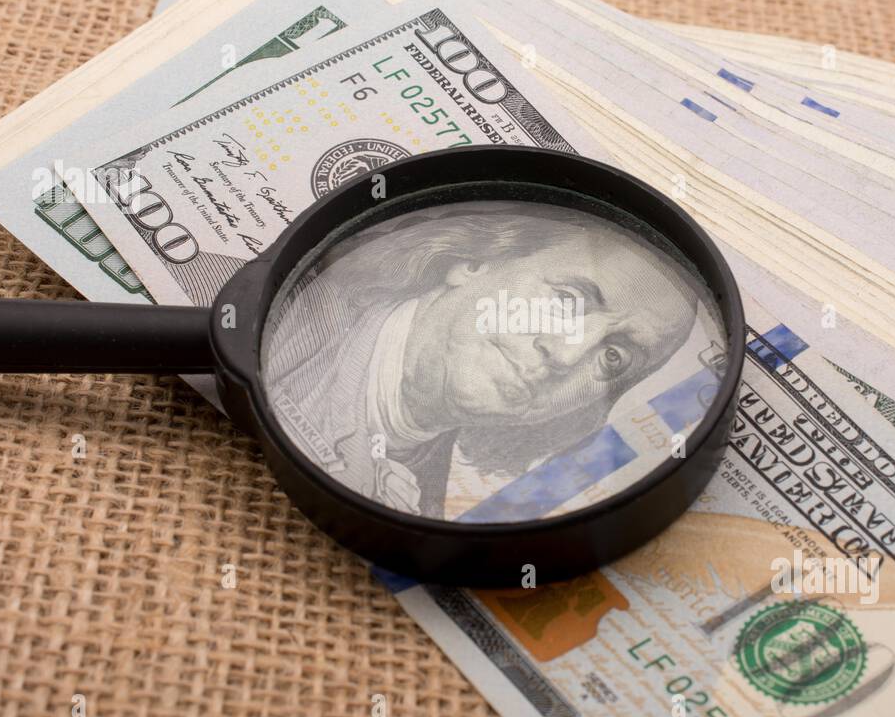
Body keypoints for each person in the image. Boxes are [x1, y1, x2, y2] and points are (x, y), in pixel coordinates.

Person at [262, 201, 706, 519]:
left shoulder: (424, 508)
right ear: (476, 264)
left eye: (614, 357)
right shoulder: (277, 329)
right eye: (568, 299)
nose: (566, 353)